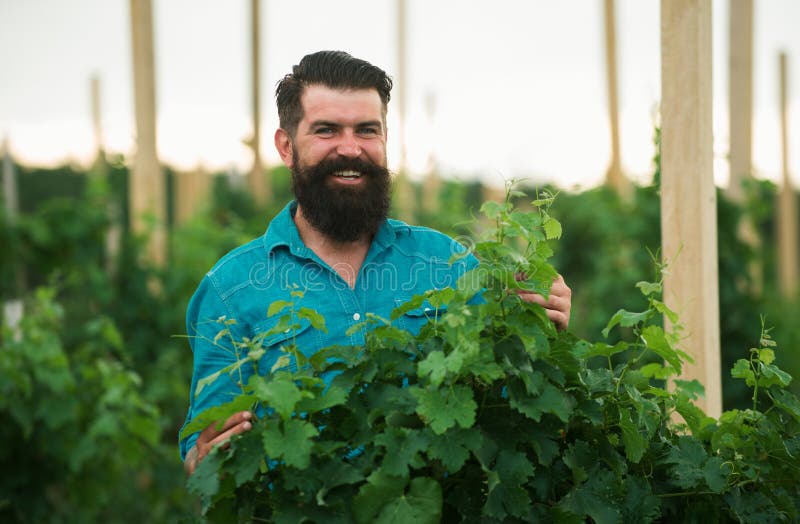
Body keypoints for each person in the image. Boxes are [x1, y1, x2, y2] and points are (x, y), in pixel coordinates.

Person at [180, 50, 572, 475]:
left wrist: (539, 319)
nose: (351, 149)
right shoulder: (229, 289)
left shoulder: (448, 262)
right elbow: (205, 452)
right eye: (327, 130)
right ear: (286, 146)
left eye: (367, 130)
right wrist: (202, 460)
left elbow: (503, 388)